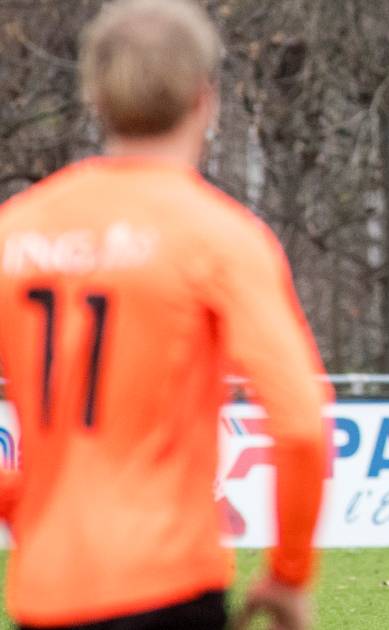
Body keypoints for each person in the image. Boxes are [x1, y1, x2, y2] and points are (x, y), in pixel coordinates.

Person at [0, 1, 328, 629]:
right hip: (167, 582)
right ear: (206, 98)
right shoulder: (218, 236)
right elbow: (300, 426)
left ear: (94, 95)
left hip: (45, 590)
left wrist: (30, 501)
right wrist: (288, 574)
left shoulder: (18, 230)